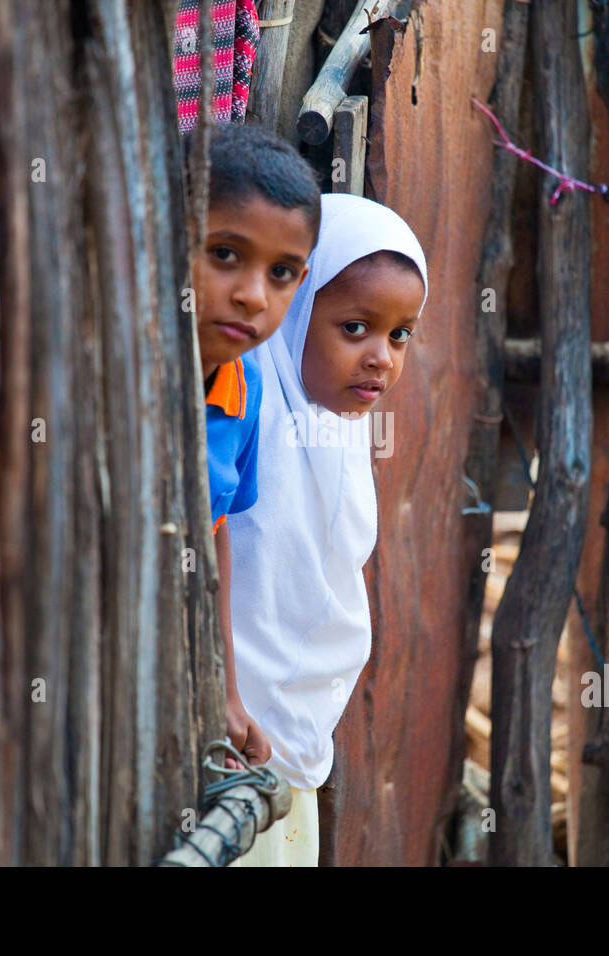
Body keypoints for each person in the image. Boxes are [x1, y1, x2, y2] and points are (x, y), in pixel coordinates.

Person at [227, 193, 429, 866]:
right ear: (296, 313)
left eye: (400, 335)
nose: (383, 357)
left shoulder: (338, 432)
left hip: (300, 745)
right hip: (229, 743)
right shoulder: (249, 401)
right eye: (356, 329)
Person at [193, 123, 320, 769]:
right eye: (224, 255)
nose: (253, 295)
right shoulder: (107, 370)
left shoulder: (241, 389)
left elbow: (213, 529)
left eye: (282, 273)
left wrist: (226, 691)